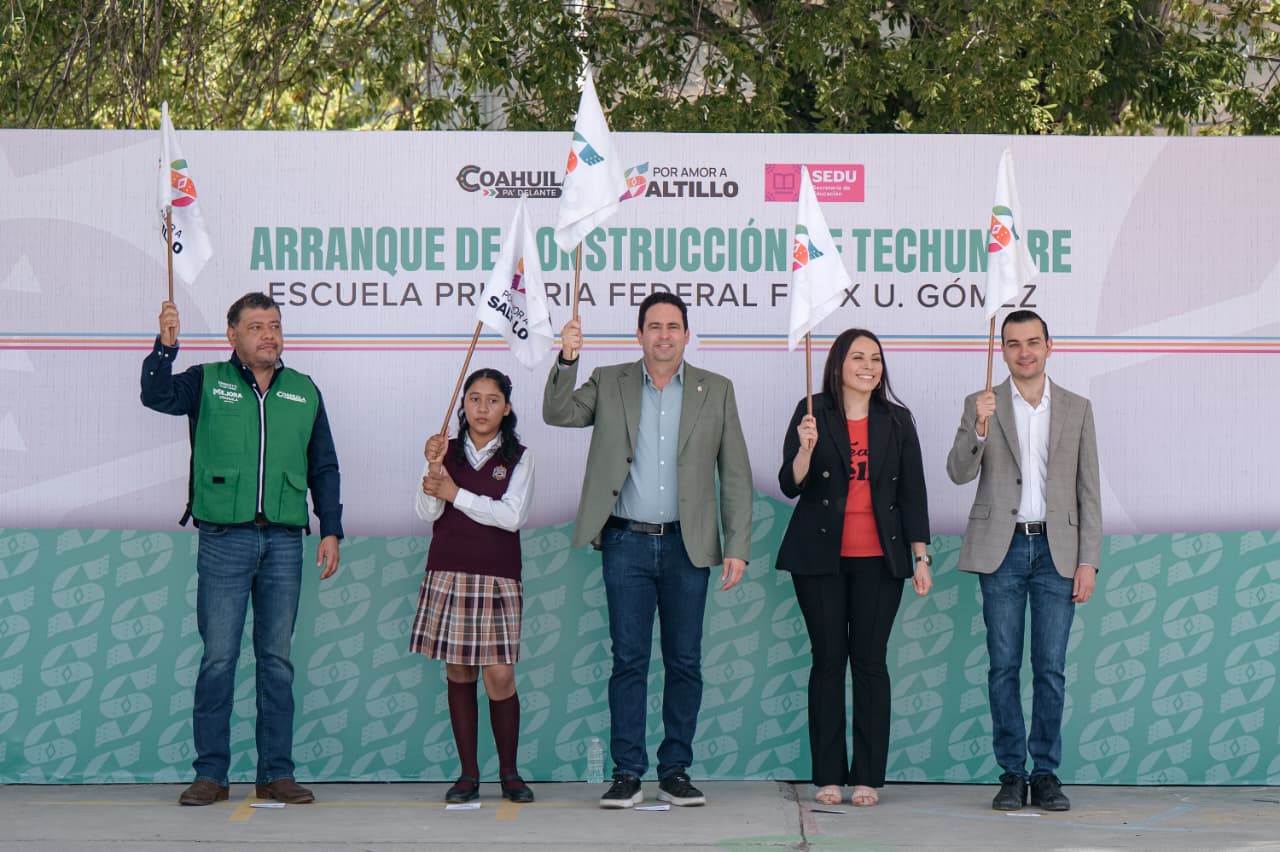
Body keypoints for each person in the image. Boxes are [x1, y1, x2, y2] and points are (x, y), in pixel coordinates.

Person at [542, 292, 752, 809]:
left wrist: (737, 546)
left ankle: (676, 770)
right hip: (625, 541)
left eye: (673, 326)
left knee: (685, 662)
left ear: (686, 334)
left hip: (689, 544)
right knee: (629, 661)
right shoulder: (609, 381)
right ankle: (627, 773)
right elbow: (558, 413)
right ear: (638, 335)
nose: (663, 335)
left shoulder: (717, 390)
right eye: (653, 326)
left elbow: (737, 475)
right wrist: (567, 360)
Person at [140, 293, 342, 806]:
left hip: (283, 541)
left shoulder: (304, 390)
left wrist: (332, 528)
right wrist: (165, 349)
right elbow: (154, 396)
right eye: (256, 327)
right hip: (224, 540)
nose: (268, 335)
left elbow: (324, 465)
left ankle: (276, 773)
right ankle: (211, 775)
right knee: (219, 659)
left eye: (274, 325)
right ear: (233, 336)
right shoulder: (207, 380)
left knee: (276, 660)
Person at [946, 309, 1101, 812]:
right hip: (1003, 548)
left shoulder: (1077, 408)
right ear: (1004, 350)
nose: (1023, 351)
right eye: (1013, 344)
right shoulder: (981, 403)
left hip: (1059, 551)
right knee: (1003, 667)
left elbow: (1088, 491)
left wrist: (1089, 561)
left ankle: (1047, 773)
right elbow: (957, 471)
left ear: (1049, 346)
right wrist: (981, 428)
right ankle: (1012, 773)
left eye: (1033, 341)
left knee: (1050, 669)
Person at [776, 328, 932, 808]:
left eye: (877, 358)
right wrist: (804, 449)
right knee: (827, 663)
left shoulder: (897, 420)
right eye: (859, 357)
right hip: (819, 559)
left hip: (880, 562)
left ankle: (867, 775)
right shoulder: (812, 412)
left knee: (869, 664)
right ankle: (827, 773)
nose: (869, 366)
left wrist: (920, 556)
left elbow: (913, 494)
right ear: (838, 363)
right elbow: (789, 485)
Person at [410, 368, 535, 805]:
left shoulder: (519, 456)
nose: (483, 408)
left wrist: (455, 492)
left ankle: (510, 773)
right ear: (463, 404)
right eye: (474, 399)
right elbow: (427, 510)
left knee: (499, 675)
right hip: (449, 571)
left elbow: (512, 516)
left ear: (507, 407)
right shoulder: (443, 451)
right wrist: (433, 470)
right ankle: (467, 775)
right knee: (459, 671)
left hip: (498, 576)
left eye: (493, 400)